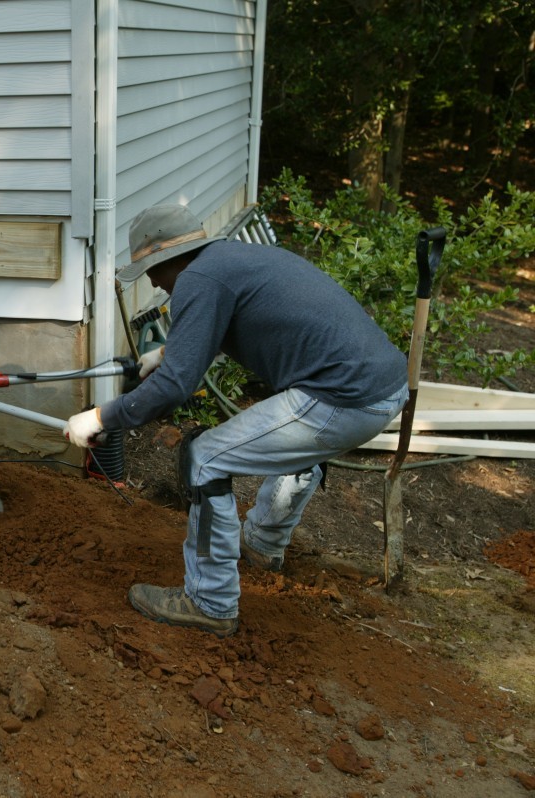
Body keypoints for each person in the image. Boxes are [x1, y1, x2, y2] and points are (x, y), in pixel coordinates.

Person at [64, 204, 408, 636]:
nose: (151, 279)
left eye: (152, 268)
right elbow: (249, 321)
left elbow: (174, 388)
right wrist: (170, 353)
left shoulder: (198, 279)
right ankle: (263, 545)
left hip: (344, 399)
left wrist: (99, 417)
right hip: (384, 387)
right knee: (294, 441)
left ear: (172, 259)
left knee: (205, 459)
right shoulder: (234, 260)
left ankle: (210, 601)